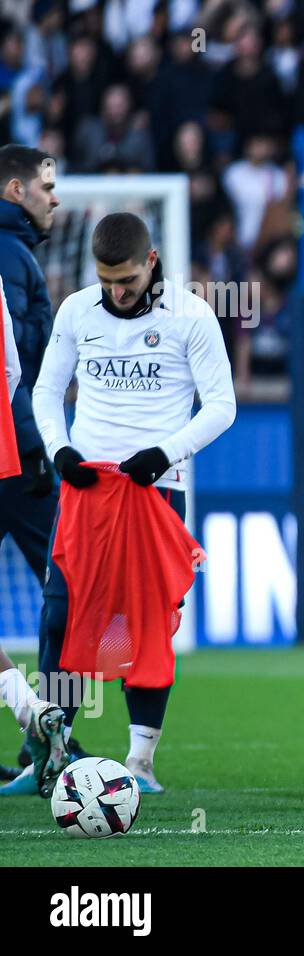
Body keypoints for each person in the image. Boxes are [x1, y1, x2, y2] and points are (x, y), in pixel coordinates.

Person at [29, 212, 236, 794]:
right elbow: (46, 390)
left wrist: (164, 453)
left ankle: (140, 761)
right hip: (86, 490)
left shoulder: (191, 315)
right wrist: (60, 449)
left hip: (154, 491)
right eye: (105, 281)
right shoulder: (76, 311)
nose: (116, 292)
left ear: (151, 262)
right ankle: (52, 752)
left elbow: (222, 405)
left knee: (138, 626)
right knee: (61, 616)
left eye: (125, 280)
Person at [0, 147, 60, 773]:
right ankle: (45, 733)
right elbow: (11, 367)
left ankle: (34, 725)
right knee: (68, 586)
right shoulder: (9, 256)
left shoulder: (16, 254)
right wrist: (35, 444)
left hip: (12, 448)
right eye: (47, 186)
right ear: (16, 190)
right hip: (14, 458)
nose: (56, 197)